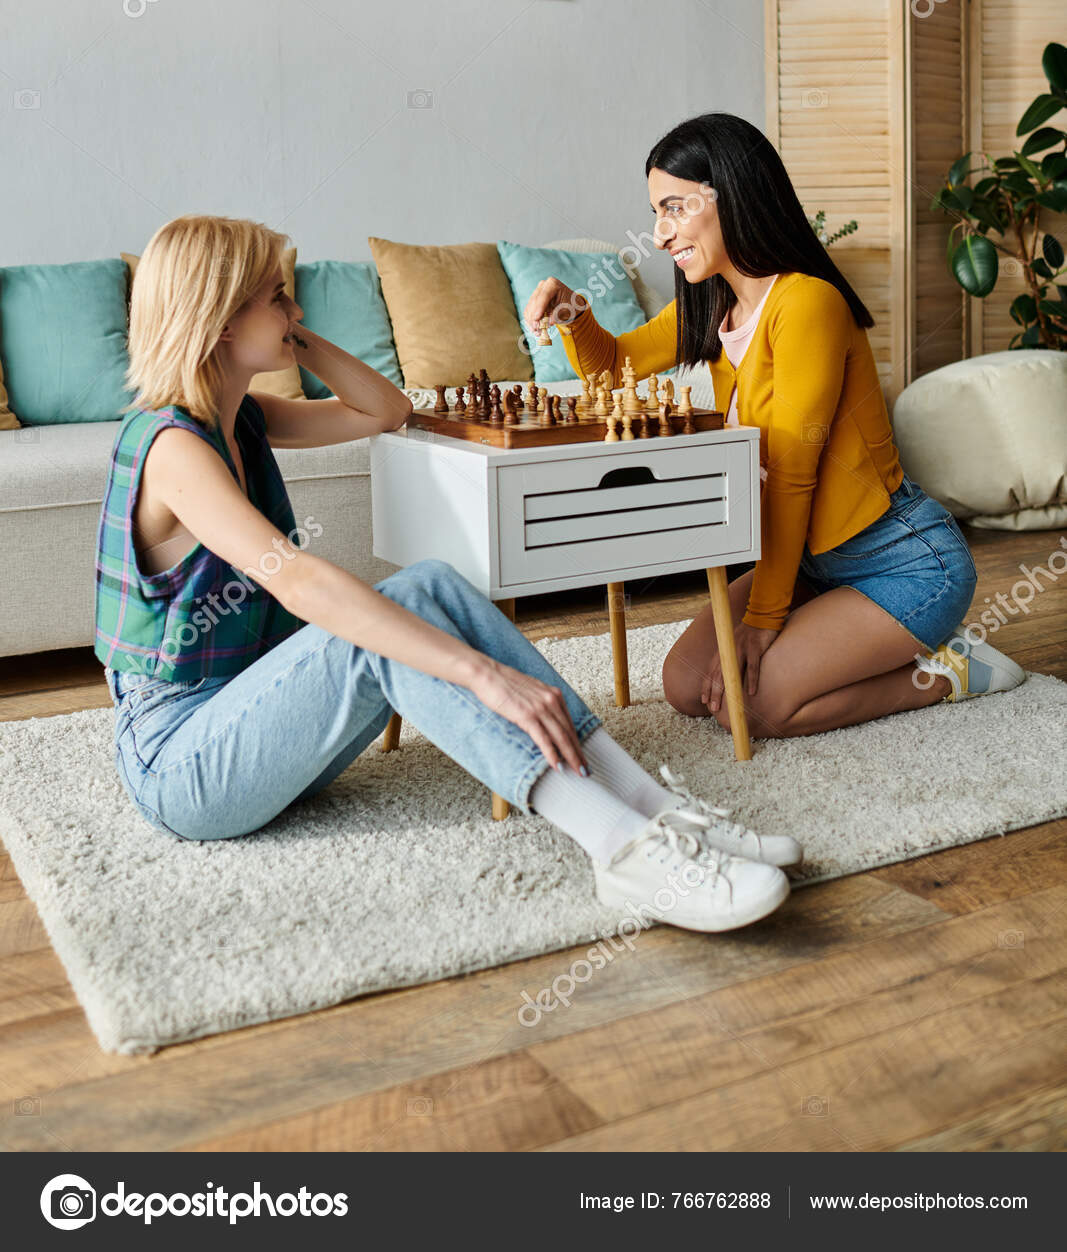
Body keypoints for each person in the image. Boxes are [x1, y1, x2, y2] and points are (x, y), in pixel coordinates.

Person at [93, 213, 803, 935]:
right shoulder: (172, 449)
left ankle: (656, 813)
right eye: (279, 297)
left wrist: (284, 333)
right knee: (376, 634)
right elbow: (299, 582)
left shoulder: (241, 418)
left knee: (426, 584)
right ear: (216, 321)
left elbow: (387, 409)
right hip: (183, 765)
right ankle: (620, 852)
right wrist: (477, 672)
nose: (298, 308)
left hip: (254, 717)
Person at [523, 114, 1028, 740]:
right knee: (685, 688)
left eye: (674, 208)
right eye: (656, 212)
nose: (658, 235)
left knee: (753, 707)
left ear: (727, 195)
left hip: (901, 562)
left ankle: (951, 671)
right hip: (809, 565)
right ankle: (830, 630)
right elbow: (616, 366)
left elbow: (791, 471)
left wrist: (764, 621)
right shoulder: (711, 306)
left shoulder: (808, 303)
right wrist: (572, 311)